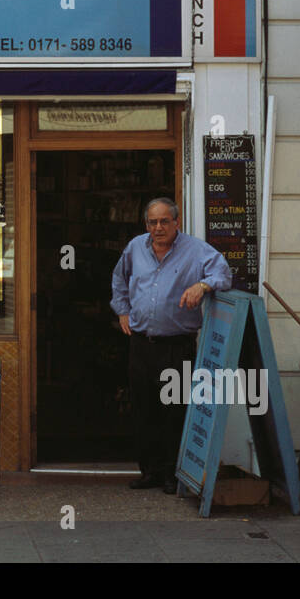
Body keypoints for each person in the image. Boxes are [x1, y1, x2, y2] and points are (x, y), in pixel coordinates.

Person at [111, 198, 231, 494]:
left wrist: (202, 286)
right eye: (153, 222)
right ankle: (149, 471)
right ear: (146, 224)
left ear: (177, 222)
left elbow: (224, 275)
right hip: (141, 345)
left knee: (174, 410)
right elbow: (119, 280)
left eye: (165, 221)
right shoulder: (135, 248)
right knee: (143, 409)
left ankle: (171, 474)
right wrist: (122, 309)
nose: (158, 228)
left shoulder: (196, 249)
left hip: (176, 347)